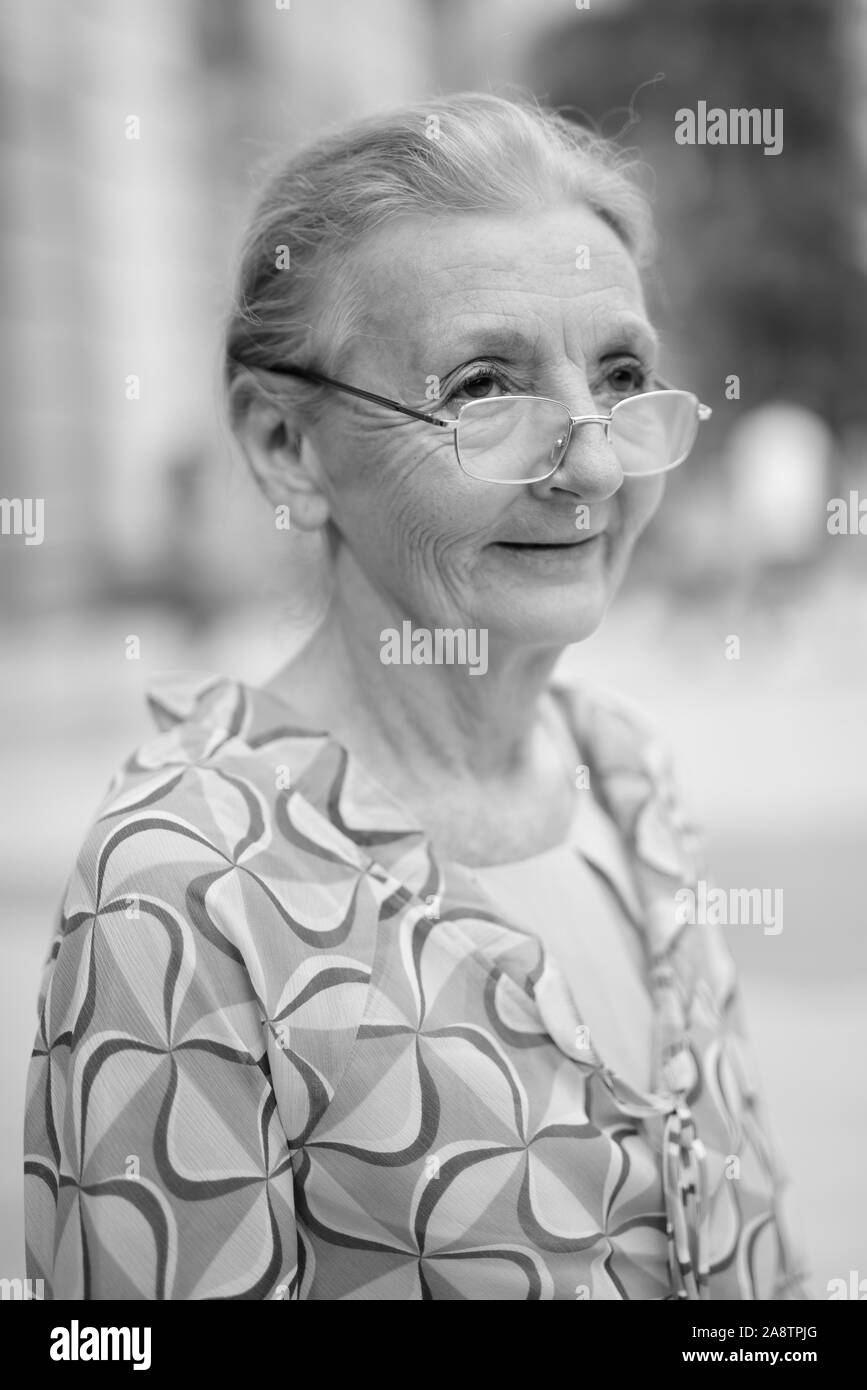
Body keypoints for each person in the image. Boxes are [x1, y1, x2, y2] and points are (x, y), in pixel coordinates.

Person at [24, 93, 808, 1300]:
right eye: (484, 387)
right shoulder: (183, 892)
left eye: (620, 374)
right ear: (289, 446)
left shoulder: (624, 772)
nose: (593, 461)